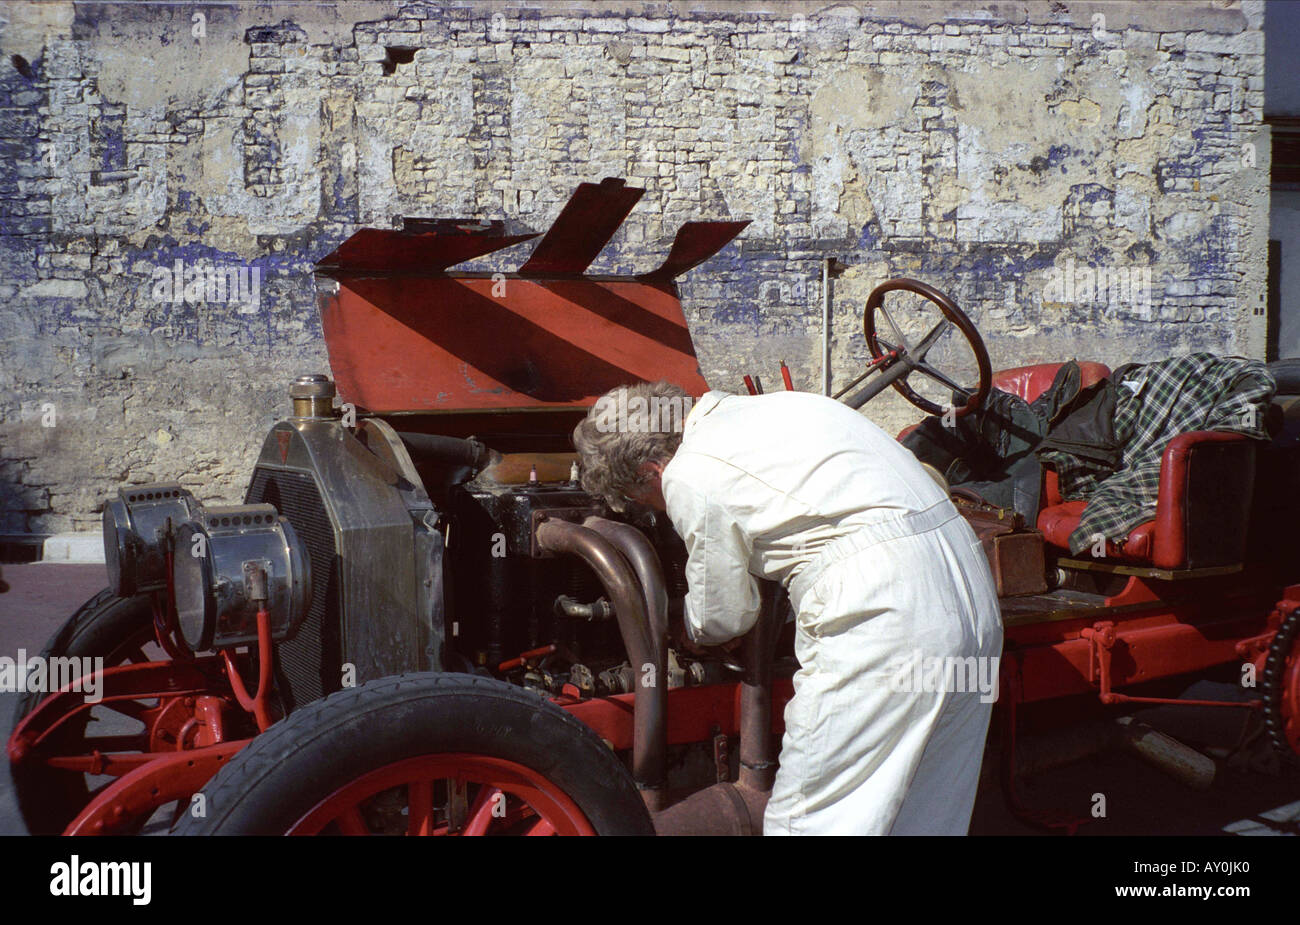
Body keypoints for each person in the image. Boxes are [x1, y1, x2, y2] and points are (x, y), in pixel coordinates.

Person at [573, 380, 1003, 835]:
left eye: (647, 505)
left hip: (884, 613)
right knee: (925, 818)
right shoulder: (793, 407)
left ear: (651, 470)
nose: (659, 511)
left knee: (810, 819)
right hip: (970, 592)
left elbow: (723, 615)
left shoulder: (688, 473)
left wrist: (688, 631)